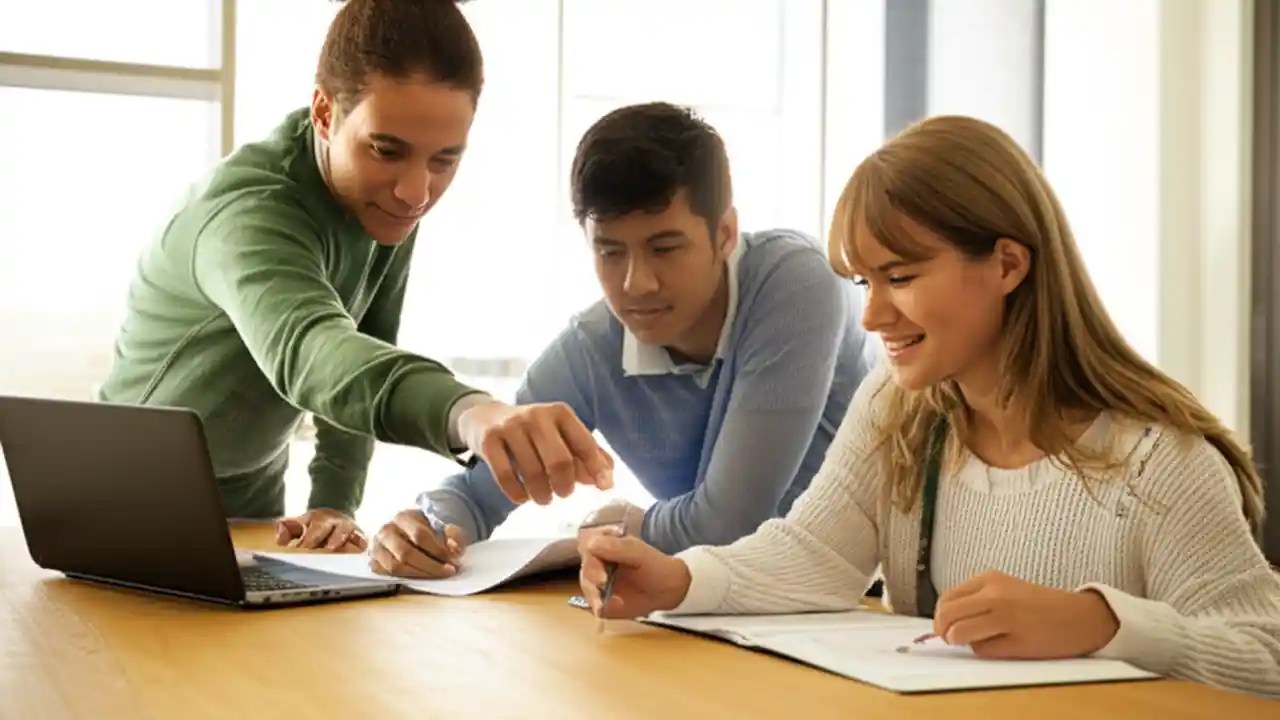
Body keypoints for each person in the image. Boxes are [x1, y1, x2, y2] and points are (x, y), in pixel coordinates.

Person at [576, 115, 1280, 698]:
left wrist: (1102, 622)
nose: (872, 315)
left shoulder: (1161, 462)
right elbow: (816, 552)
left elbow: (1262, 656)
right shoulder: (898, 407)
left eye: (901, 277)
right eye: (863, 280)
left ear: (1007, 265)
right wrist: (680, 578)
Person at [97, 0, 611, 552]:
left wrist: (334, 502)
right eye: (387, 150)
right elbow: (314, 351)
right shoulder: (248, 214)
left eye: (443, 160)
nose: (417, 192)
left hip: (250, 502)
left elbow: (365, 346)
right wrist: (470, 413)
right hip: (126, 497)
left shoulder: (385, 204)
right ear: (324, 111)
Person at [365, 102, 875, 578]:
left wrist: (617, 527)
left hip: (864, 602)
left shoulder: (795, 282)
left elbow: (732, 524)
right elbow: (477, 496)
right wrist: (424, 532)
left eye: (665, 248)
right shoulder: (590, 348)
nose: (636, 284)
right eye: (610, 252)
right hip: (718, 609)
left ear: (725, 234)